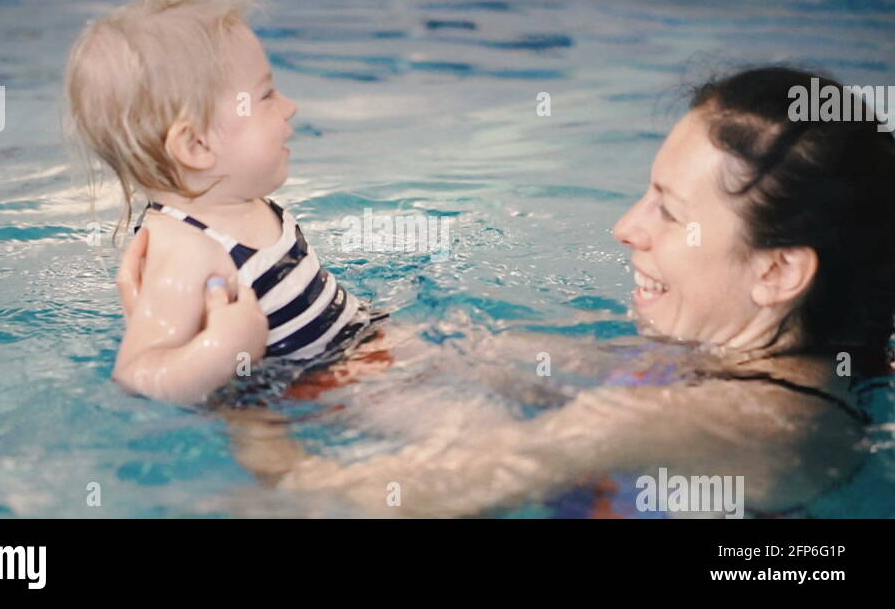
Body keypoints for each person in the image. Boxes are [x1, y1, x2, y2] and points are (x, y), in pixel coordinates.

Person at [118, 66, 895, 517]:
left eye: (669, 210)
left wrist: (234, 391)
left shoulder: (728, 417)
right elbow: (475, 357)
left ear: (778, 272)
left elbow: (341, 502)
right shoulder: (735, 366)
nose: (627, 227)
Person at [64, 0, 386, 405]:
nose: (289, 106)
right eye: (267, 95)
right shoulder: (188, 249)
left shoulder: (236, 197)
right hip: (318, 390)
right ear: (197, 146)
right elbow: (136, 372)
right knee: (474, 449)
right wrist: (222, 349)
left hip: (356, 345)